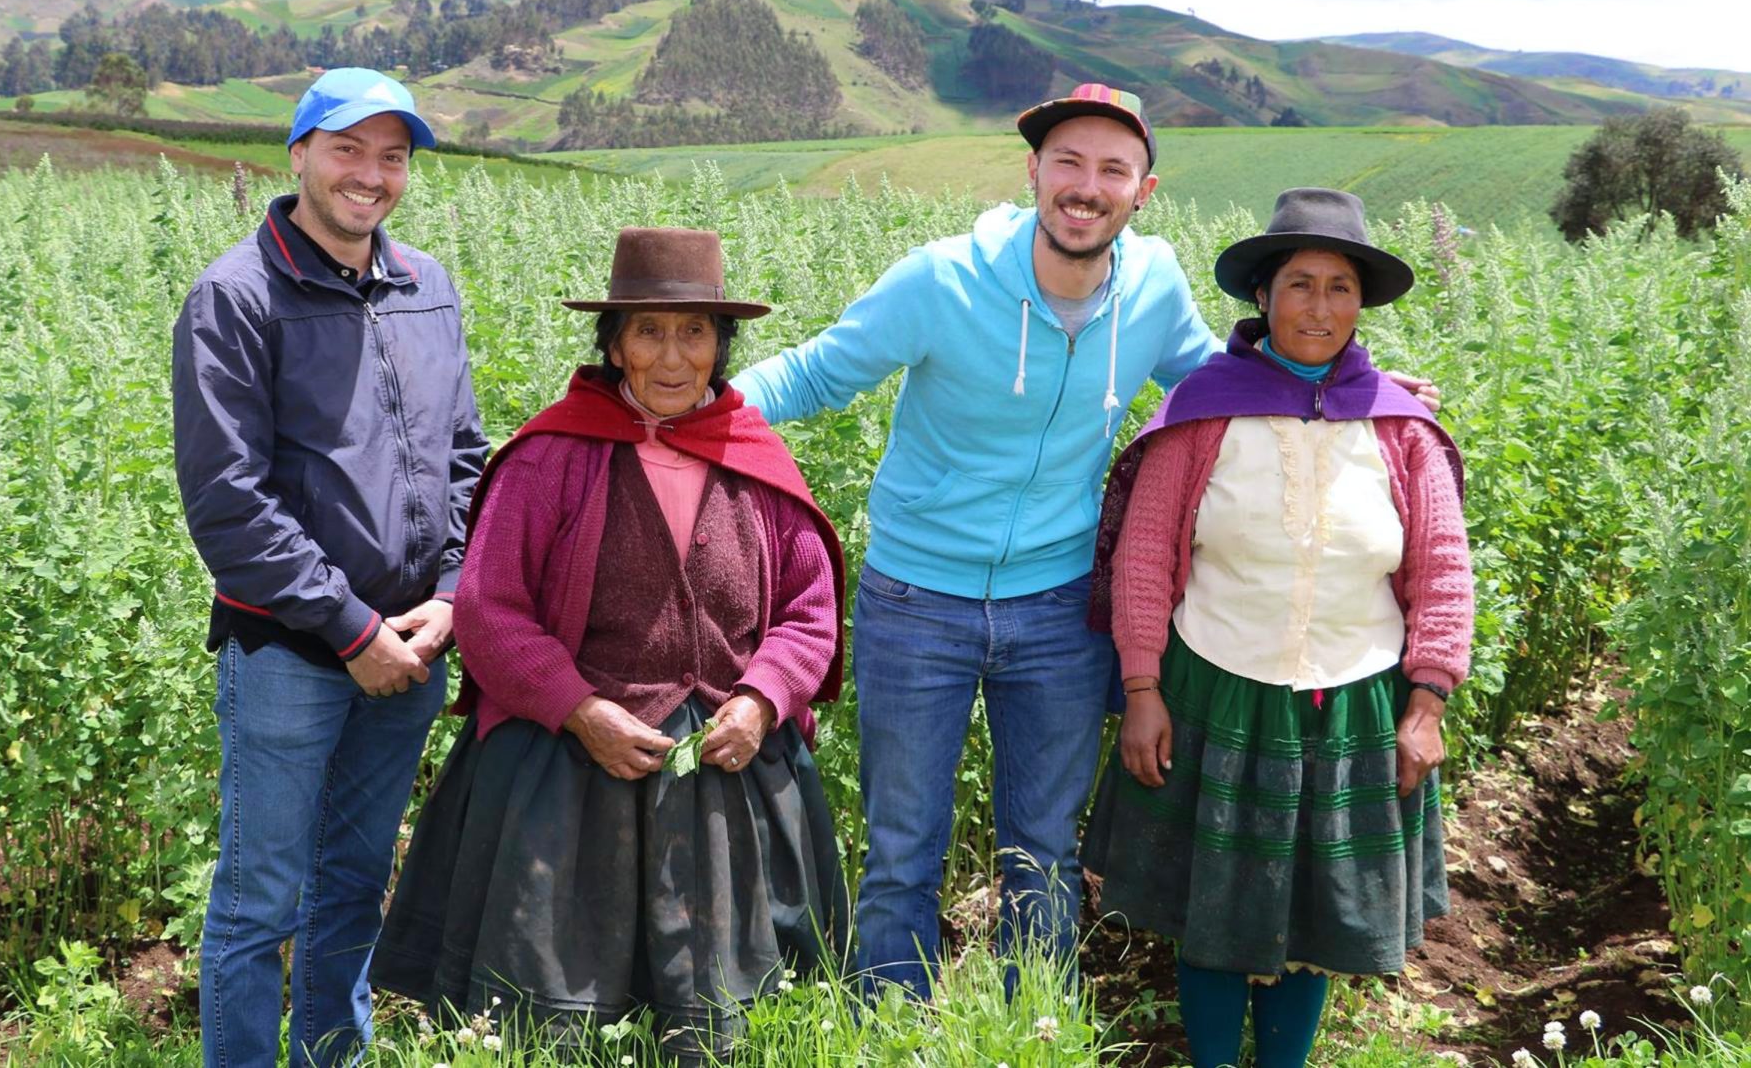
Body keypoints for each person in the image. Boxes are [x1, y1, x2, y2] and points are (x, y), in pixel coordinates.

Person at [732, 84, 1439, 998]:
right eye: (1068, 161)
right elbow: (812, 372)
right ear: (1033, 171)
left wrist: (1360, 391)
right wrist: (685, 412)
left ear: (1144, 191)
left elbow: (1227, 380)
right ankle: (891, 1027)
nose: (1086, 185)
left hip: (1059, 607)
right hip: (917, 600)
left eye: (1113, 169)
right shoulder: (940, 280)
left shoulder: (1151, 289)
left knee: (1045, 844)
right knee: (905, 845)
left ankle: (1034, 1027)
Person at [373, 227, 849, 1064]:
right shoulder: (550, 455)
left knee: (734, 1026)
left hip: (722, 766)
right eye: (648, 331)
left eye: (694, 332)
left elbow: (811, 610)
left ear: (721, 344)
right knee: (555, 1025)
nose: (673, 356)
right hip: (569, 767)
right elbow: (489, 607)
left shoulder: (756, 456)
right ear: (614, 344)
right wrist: (579, 708)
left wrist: (762, 696)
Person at [1080, 187, 1472, 1068]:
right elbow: (1146, 562)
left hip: (1352, 701)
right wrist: (1142, 688)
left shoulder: (1402, 426)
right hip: (1217, 688)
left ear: (1360, 303)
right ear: (1264, 295)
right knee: (1211, 911)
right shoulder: (1203, 410)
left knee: (1313, 913)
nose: (1320, 306)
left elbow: (1441, 571)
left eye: (1340, 287)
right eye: (1301, 283)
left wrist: (1427, 702)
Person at [171, 68, 487, 1068]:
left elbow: (463, 460)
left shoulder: (425, 287)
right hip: (290, 652)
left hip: (407, 646)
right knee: (257, 907)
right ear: (298, 154)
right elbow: (228, 504)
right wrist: (350, 630)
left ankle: (329, 1059)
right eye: (347, 149)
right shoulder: (234, 296)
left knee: (353, 886)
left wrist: (446, 597)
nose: (370, 175)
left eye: (391, 156)